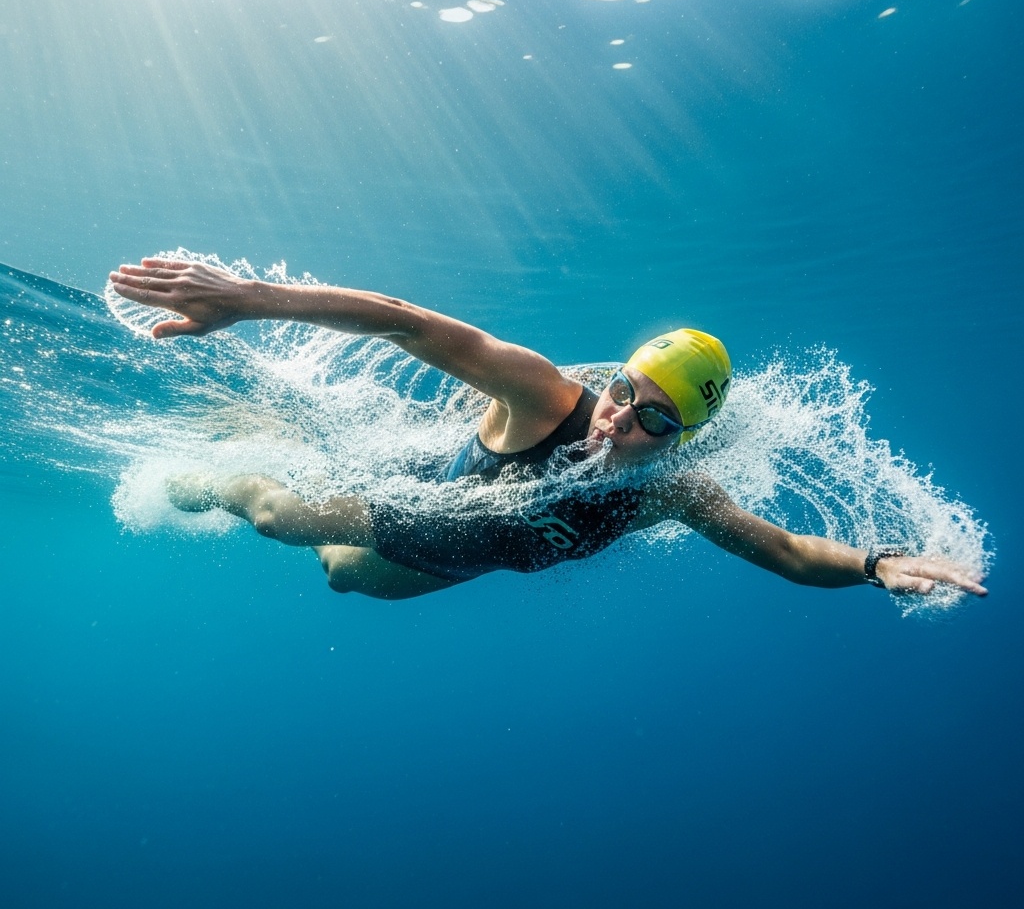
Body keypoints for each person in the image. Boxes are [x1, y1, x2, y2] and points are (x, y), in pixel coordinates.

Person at [108, 256, 989, 602]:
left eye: (654, 417)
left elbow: (790, 552)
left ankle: (281, 475)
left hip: (463, 559)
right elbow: (405, 321)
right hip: (422, 502)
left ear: (679, 437)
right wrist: (252, 298)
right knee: (278, 520)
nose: (620, 416)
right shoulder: (543, 395)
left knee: (345, 581)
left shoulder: (671, 493)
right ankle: (205, 474)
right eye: (624, 389)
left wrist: (876, 564)